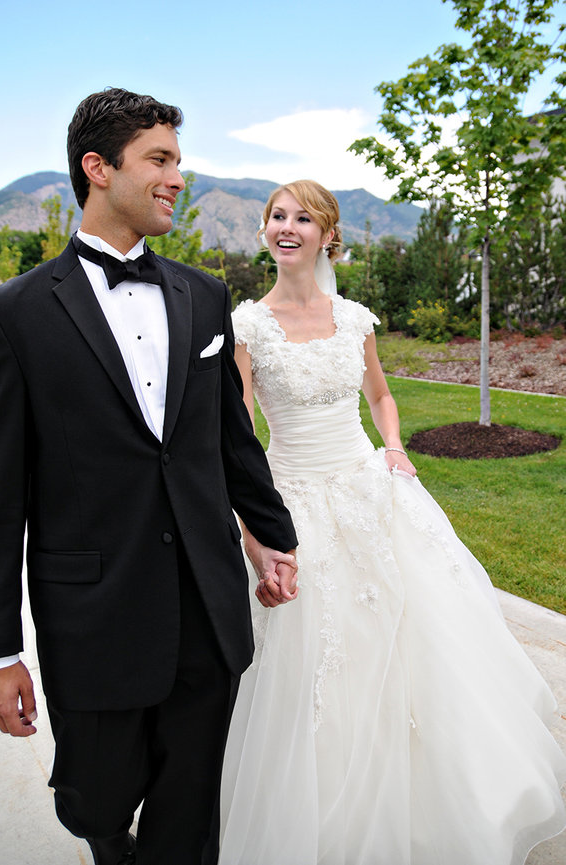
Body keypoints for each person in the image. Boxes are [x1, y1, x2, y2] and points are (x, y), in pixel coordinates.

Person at [0, 88, 298, 865]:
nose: (177, 178)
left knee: (189, 815)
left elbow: (230, 442)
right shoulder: (10, 316)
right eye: (159, 159)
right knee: (95, 799)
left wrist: (272, 537)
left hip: (205, 603)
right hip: (94, 614)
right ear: (98, 168)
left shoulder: (204, 295)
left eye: (178, 161)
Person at [219, 179, 566, 865]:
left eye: (302, 218)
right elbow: (239, 429)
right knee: (313, 655)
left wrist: (396, 447)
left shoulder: (355, 319)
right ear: (264, 231)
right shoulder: (248, 327)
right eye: (276, 216)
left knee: (419, 637)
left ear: (327, 235)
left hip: (370, 489)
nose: (286, 227)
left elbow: (379, 396)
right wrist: (254, 523)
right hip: (293, 497)